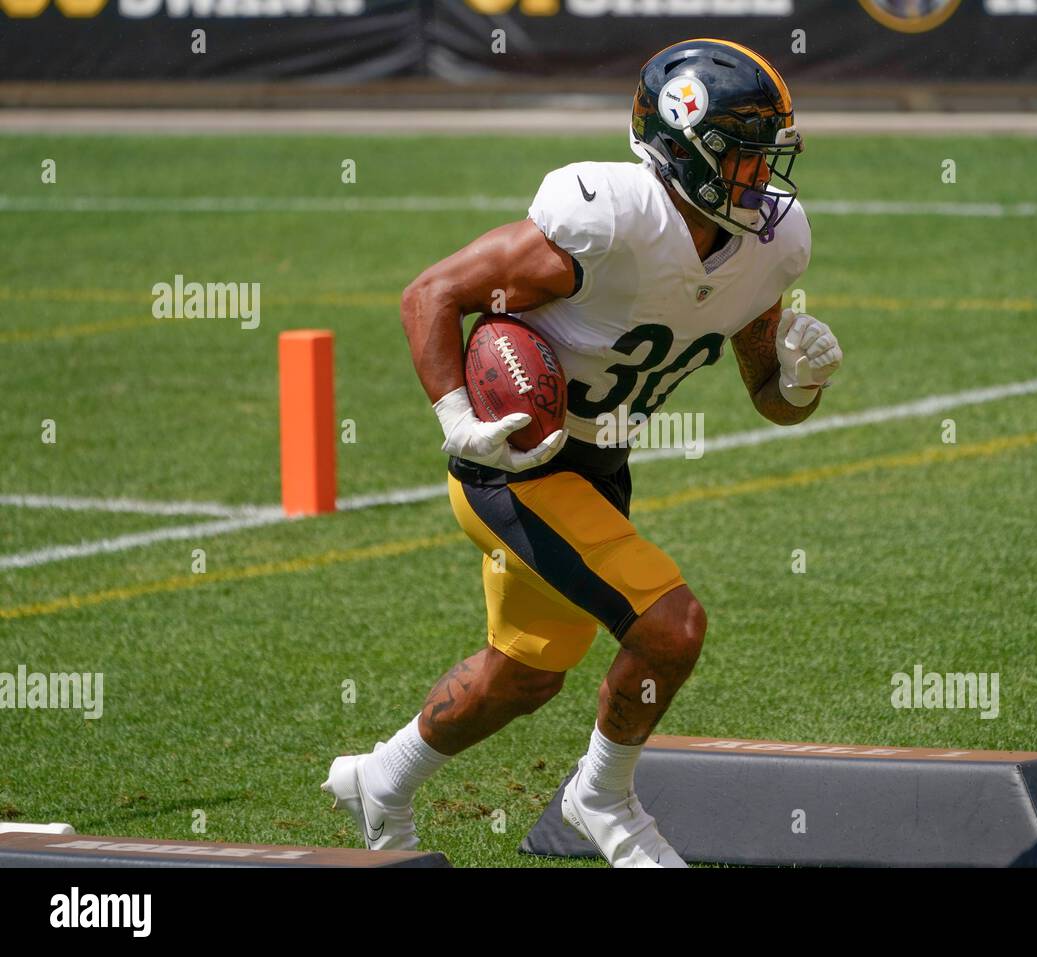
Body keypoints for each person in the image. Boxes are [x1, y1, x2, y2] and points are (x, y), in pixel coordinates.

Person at [322, 37, 843, 868]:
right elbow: (433, 293)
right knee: (672, 627)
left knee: (524, 674)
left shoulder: (769, 245)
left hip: (600, 465)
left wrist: (802, 381)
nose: (762, 179)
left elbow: (768, 400)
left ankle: (380, 780)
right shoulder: (610, 216)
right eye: (743, 157)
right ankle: (602, 798)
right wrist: (457, 416)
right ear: (686, 150)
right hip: (516, 463)